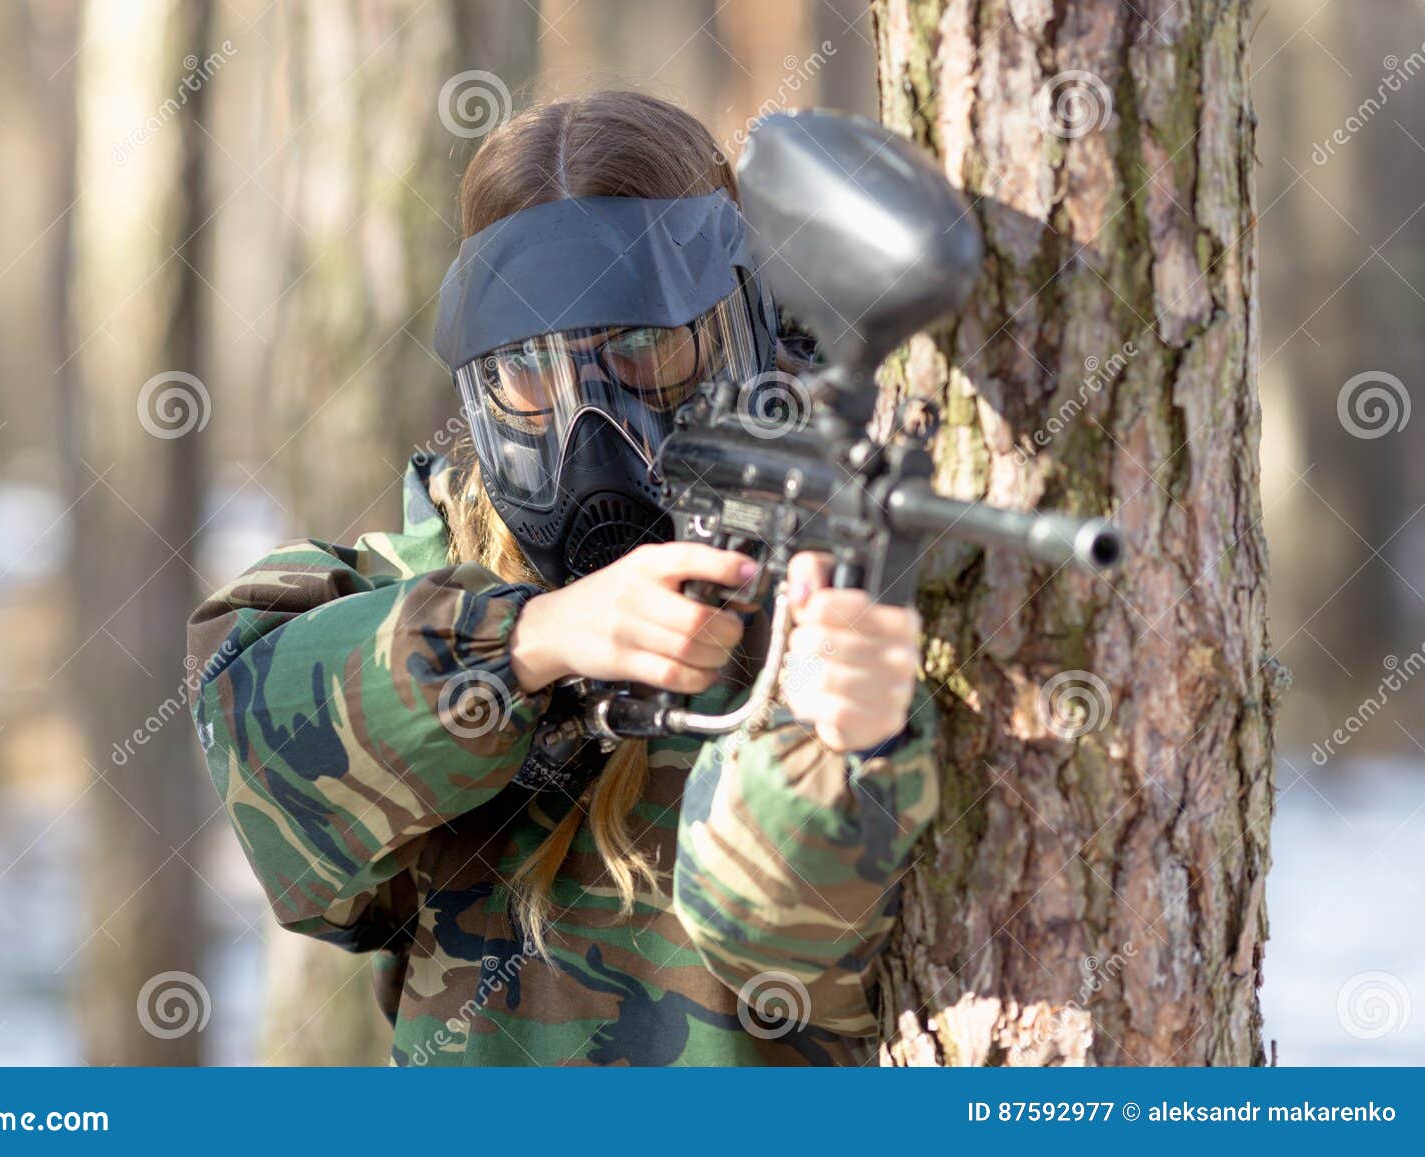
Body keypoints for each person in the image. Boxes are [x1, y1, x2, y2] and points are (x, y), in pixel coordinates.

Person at [186, 90, 938, 1066]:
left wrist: (830, 731)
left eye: (644, 348)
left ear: (739, 317)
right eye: (529, 370)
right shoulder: (449, 565)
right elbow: (257, 750)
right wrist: (531, 640)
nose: (590, 420)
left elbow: (779, 944)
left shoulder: (835, 571)